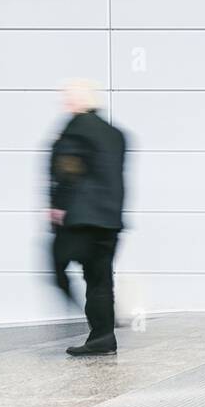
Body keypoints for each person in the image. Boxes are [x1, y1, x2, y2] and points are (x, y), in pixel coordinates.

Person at [49, 80, 127, 357]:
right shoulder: (116, 134)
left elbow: (67, 168)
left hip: (81, 219)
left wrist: (57, 206)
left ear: (75, 102)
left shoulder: (75, 128)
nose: (64, 103)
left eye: (67, 98)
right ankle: (103, 337)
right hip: (110, 220)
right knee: (100, 279)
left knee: (56, 262)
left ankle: (69, 301)